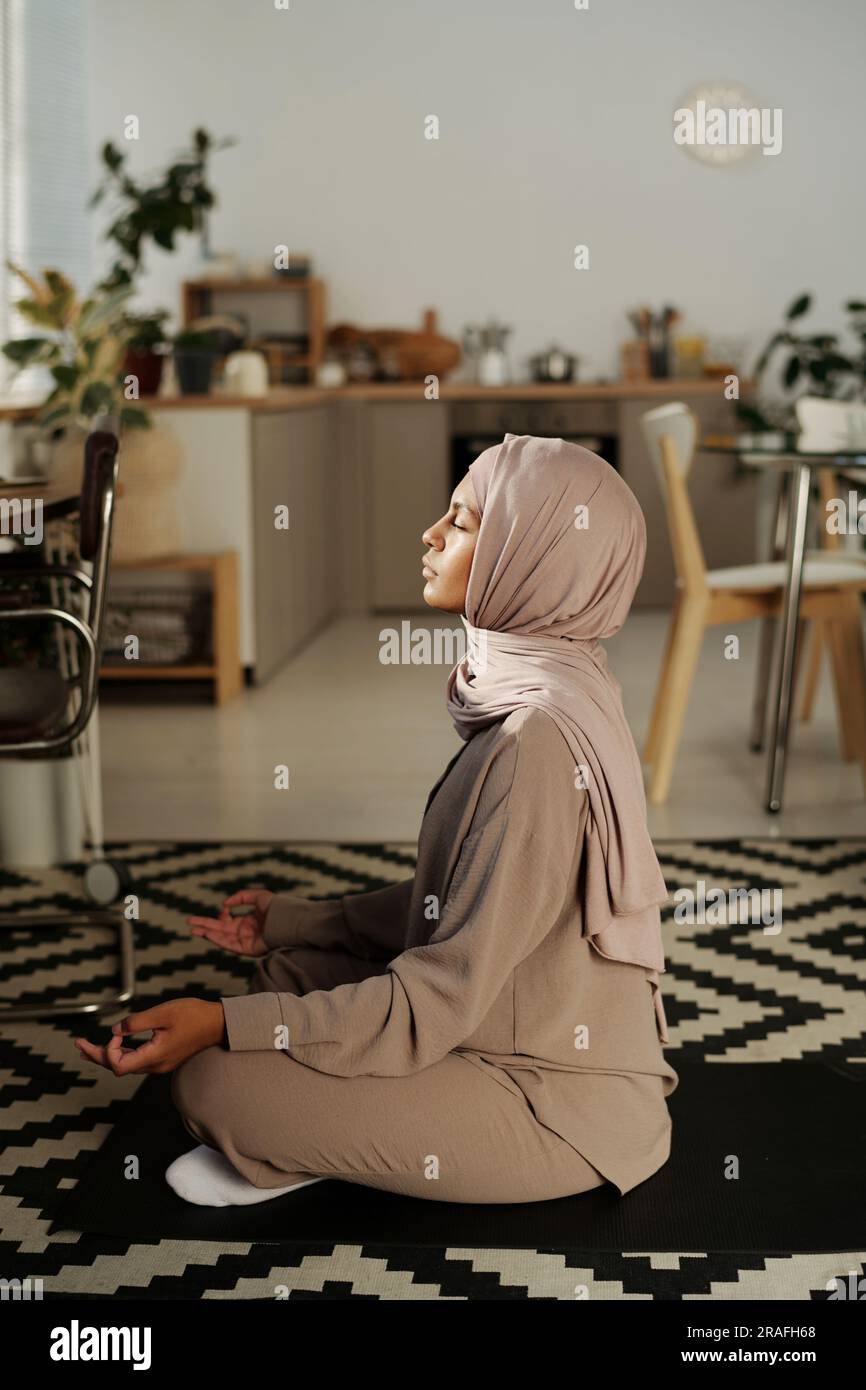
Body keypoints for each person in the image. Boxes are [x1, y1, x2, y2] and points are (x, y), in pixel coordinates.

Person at [74, 433, 678, 1207]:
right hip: (498, 1021)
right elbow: (470, 900)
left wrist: (220, 1024)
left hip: (552, 1104)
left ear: (531, 558)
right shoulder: (568, 681)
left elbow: (437, 998)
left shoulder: (537, 742)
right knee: (285, 974)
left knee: (214, 1080)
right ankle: (336, 1131)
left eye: (461, 522)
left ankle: (309, 1142)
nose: (430, 535)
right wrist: (301, 921)